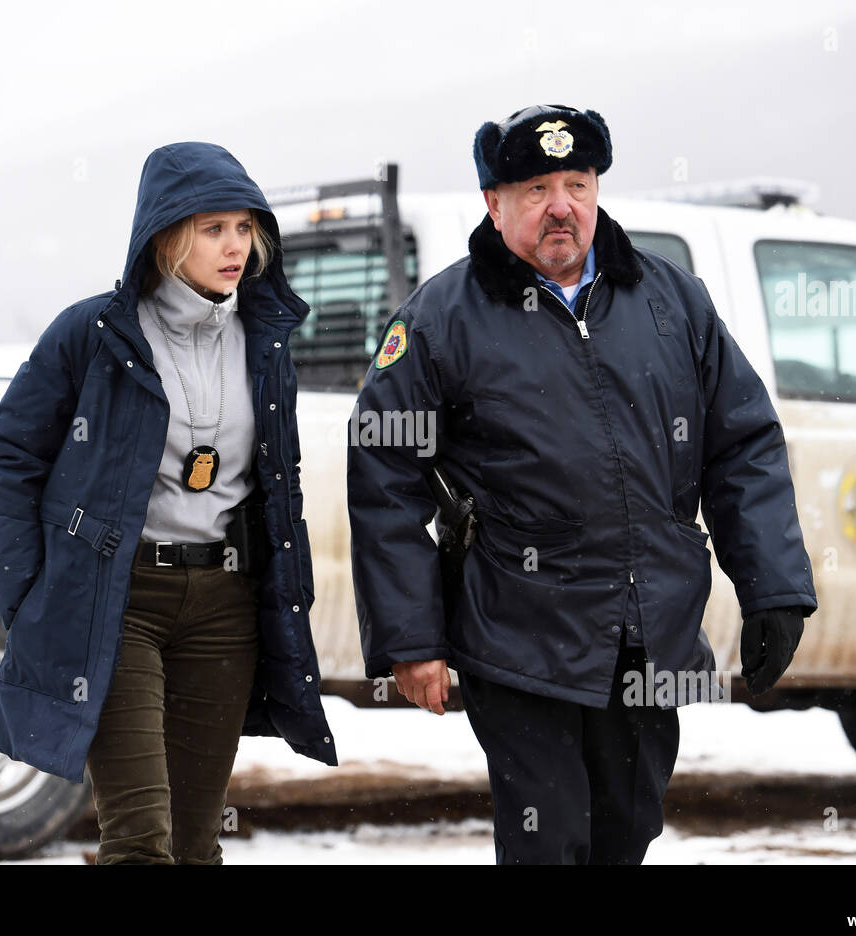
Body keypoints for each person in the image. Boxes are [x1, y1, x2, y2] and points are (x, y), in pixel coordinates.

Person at [346, 105, 817, 865]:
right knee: (549, 844)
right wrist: (411, 637)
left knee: (623, 838)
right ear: (494, 204)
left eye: (578, 181)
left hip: (648, 634)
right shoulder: (441, 318)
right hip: (519, 638)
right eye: (535, 188)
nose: (561, 204)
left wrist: (773, 587)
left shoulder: (673, 302)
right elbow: (383, 471)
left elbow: (743, 443)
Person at [0, 142, 336, 864]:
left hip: (223, 609)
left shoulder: (265, 343)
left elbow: (278, 483)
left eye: (244, 228)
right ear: (166, 234)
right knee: (141, 840)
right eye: (212, 229)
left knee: (197, 844)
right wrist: (28, 597)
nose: (235, 246)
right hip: (118, 601)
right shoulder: (94, 333)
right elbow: (13, 460)